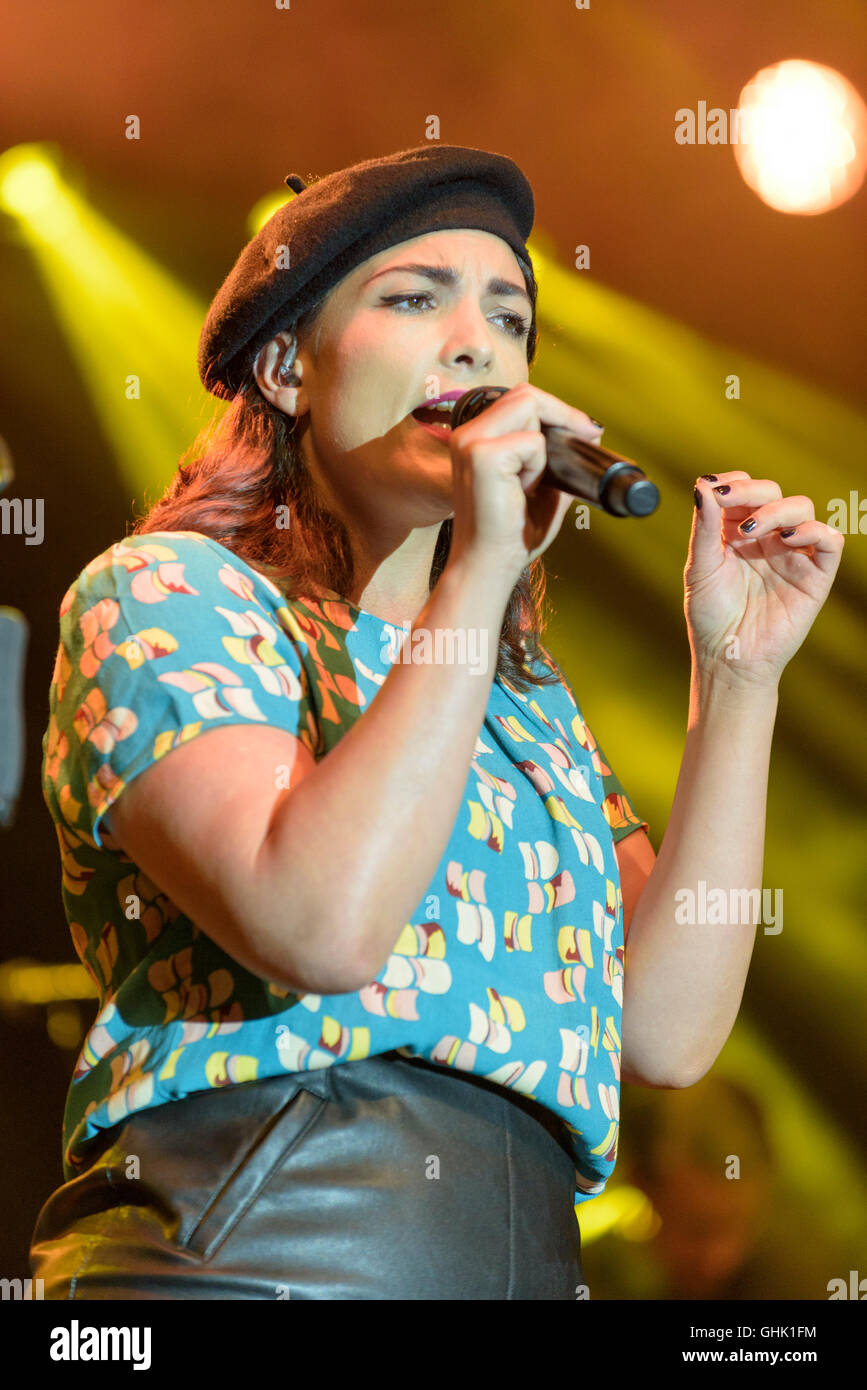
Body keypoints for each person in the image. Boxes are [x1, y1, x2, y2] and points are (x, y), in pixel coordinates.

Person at [29, 144, 843, 1301]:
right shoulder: (174, 596)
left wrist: (740, 674)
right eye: (414, 299)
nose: (477, 343)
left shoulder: (516, 700)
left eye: (508, 318)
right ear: (284, 368)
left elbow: (662, 1033)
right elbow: (319, 923)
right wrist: (484, 567)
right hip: (255, 1259)